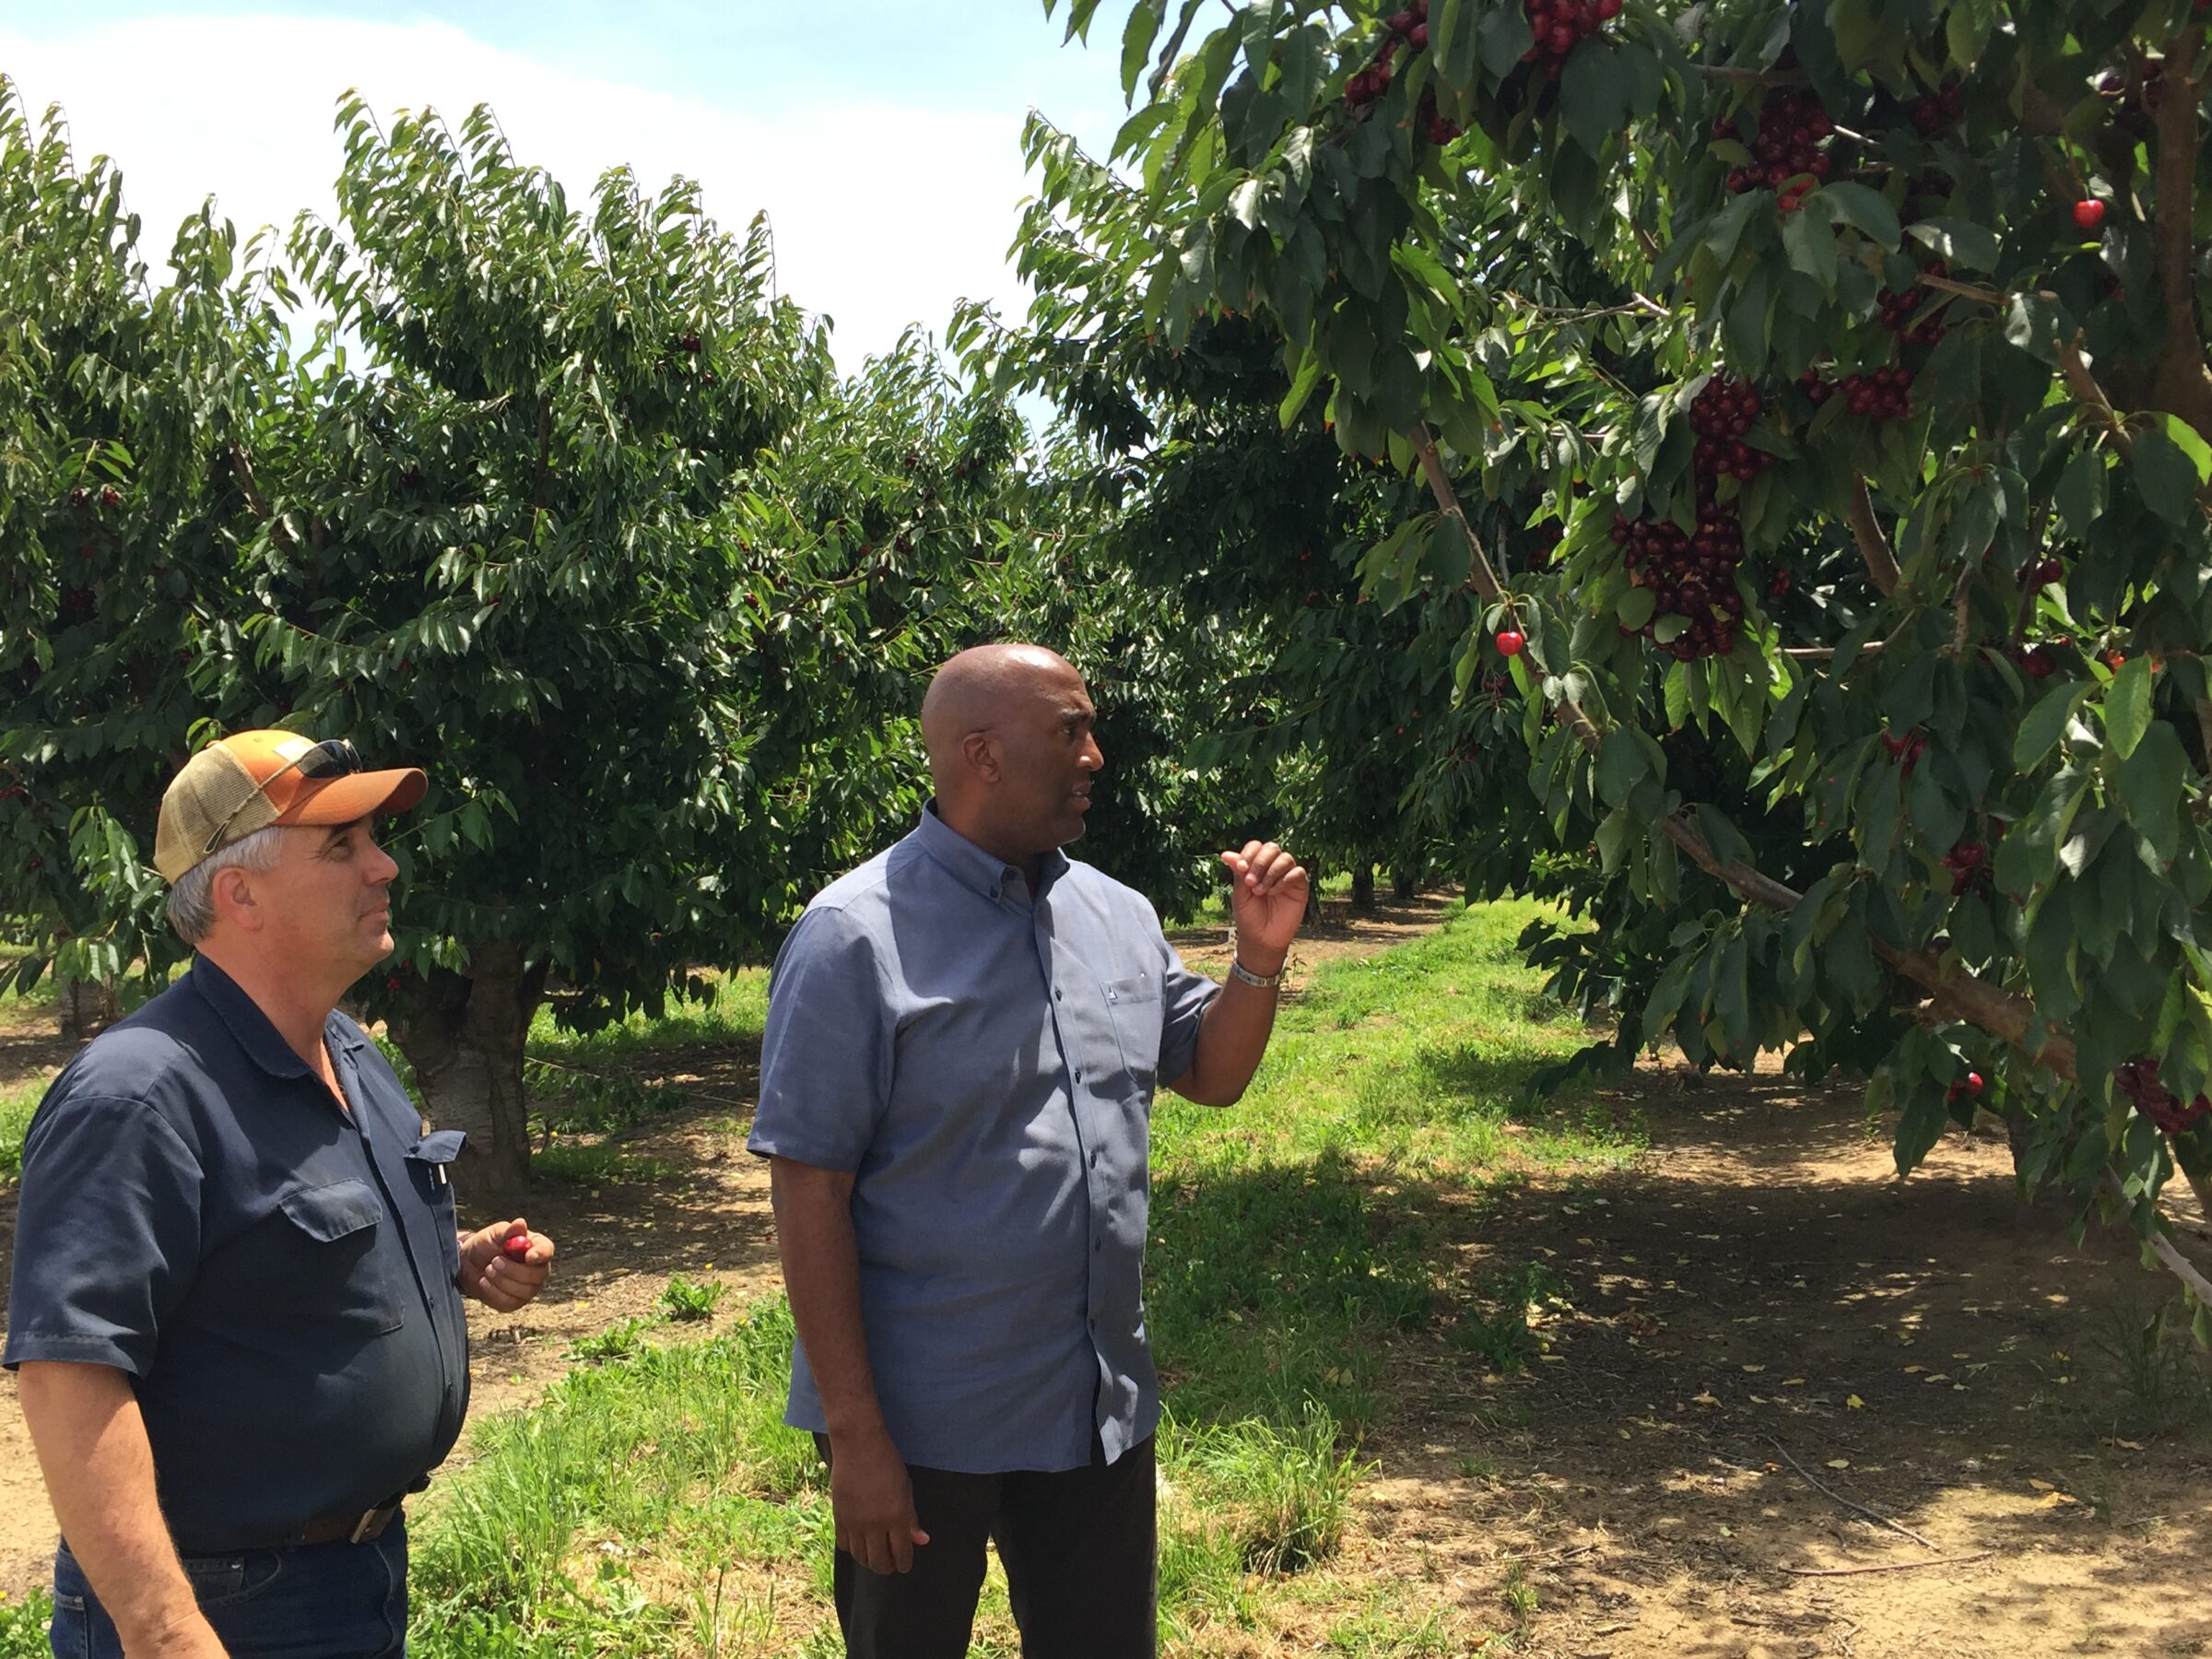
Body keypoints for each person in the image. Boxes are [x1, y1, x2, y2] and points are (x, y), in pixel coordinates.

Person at [749, 642, 1308, 1658]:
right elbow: (808, 1190)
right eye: (1071, 730)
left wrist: (1257, 960)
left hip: (1091, 1403)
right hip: (925, 1427)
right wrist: (859, 1438)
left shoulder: (1115, 914)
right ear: (983, 755)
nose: (1096, 755)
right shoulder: (854, 936)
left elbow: (1210, 1072)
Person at [5, 729, 556, 1659]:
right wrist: (164, 1630)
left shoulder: (350, 1053)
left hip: (357, 1577)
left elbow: (285, 1251)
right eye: (341, 846)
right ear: (239, 893)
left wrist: (454, 1265)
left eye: (376, 837)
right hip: (225, 1605)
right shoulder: (140, 1095)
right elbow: (69, 1378)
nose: (383, 867)